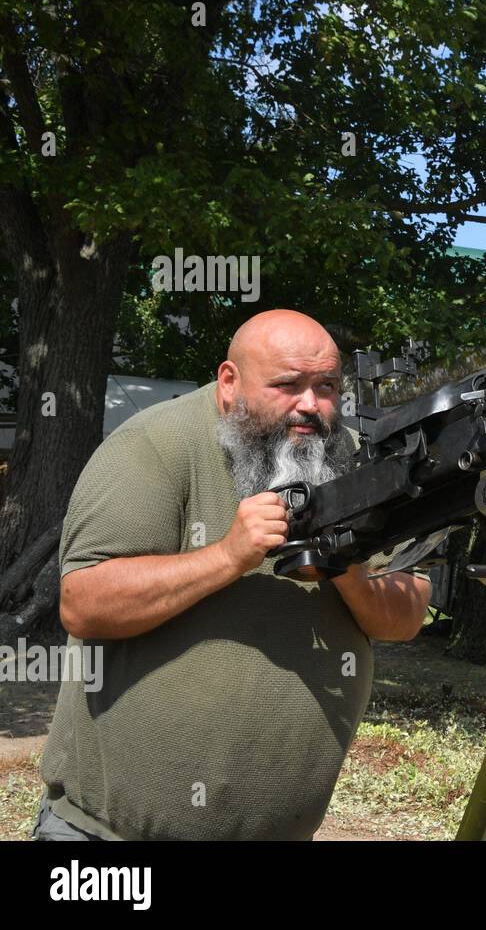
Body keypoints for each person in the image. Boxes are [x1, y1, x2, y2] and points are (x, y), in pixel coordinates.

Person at [34, 310, 431, 840]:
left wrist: (344, 564)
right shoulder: (155, 445)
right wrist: (227, 556)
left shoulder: (354, 462)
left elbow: (405, 616)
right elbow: (84, 603)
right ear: (229, 382)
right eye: (288, 385)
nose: (311, 406)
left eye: (327, 387)